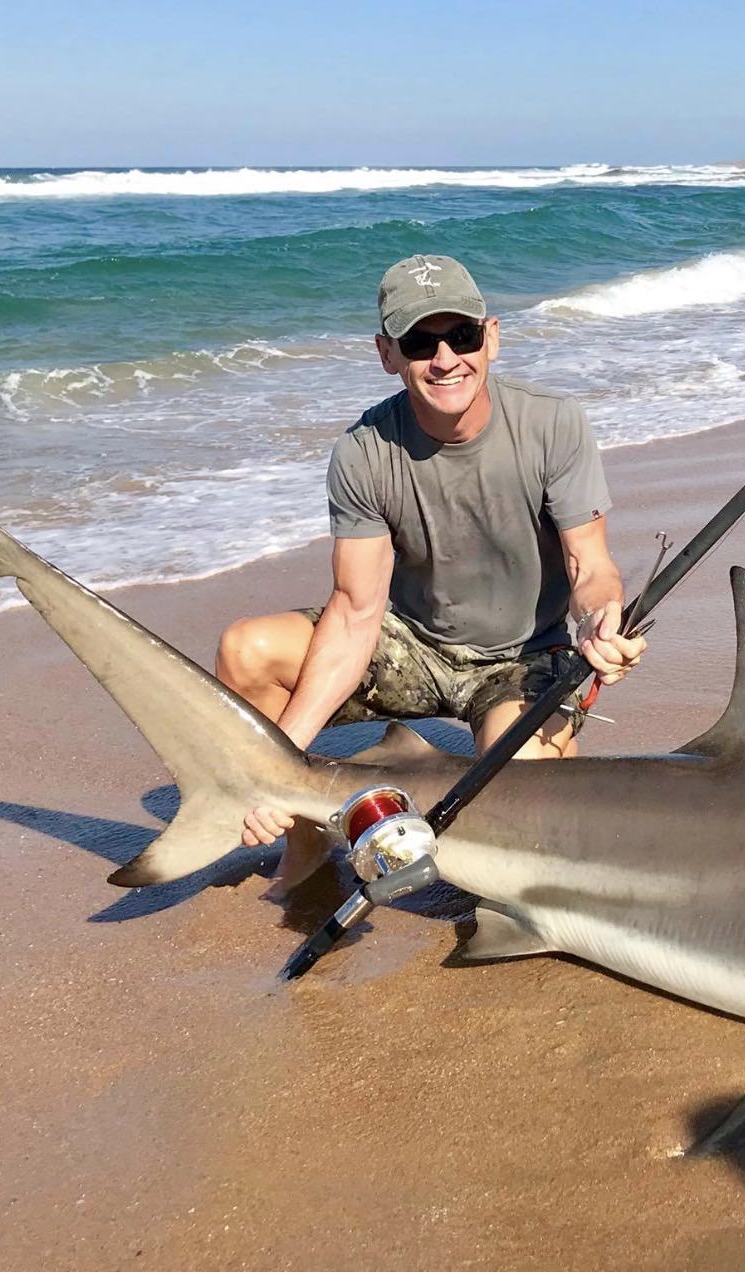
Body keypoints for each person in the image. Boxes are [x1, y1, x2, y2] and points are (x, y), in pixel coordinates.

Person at [217, 253, 647, 886]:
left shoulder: (554, 423)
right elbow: (356, 612)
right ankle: (304, 835)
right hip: (415, 644)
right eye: (420, 343)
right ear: (387, 354)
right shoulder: (363, 451)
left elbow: (591, 566)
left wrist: (599, 622)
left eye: (461, 335)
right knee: (247, 649)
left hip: (525, 655)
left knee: (523, 804)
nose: (445, 359)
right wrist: (276, 769)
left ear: (491, 337)